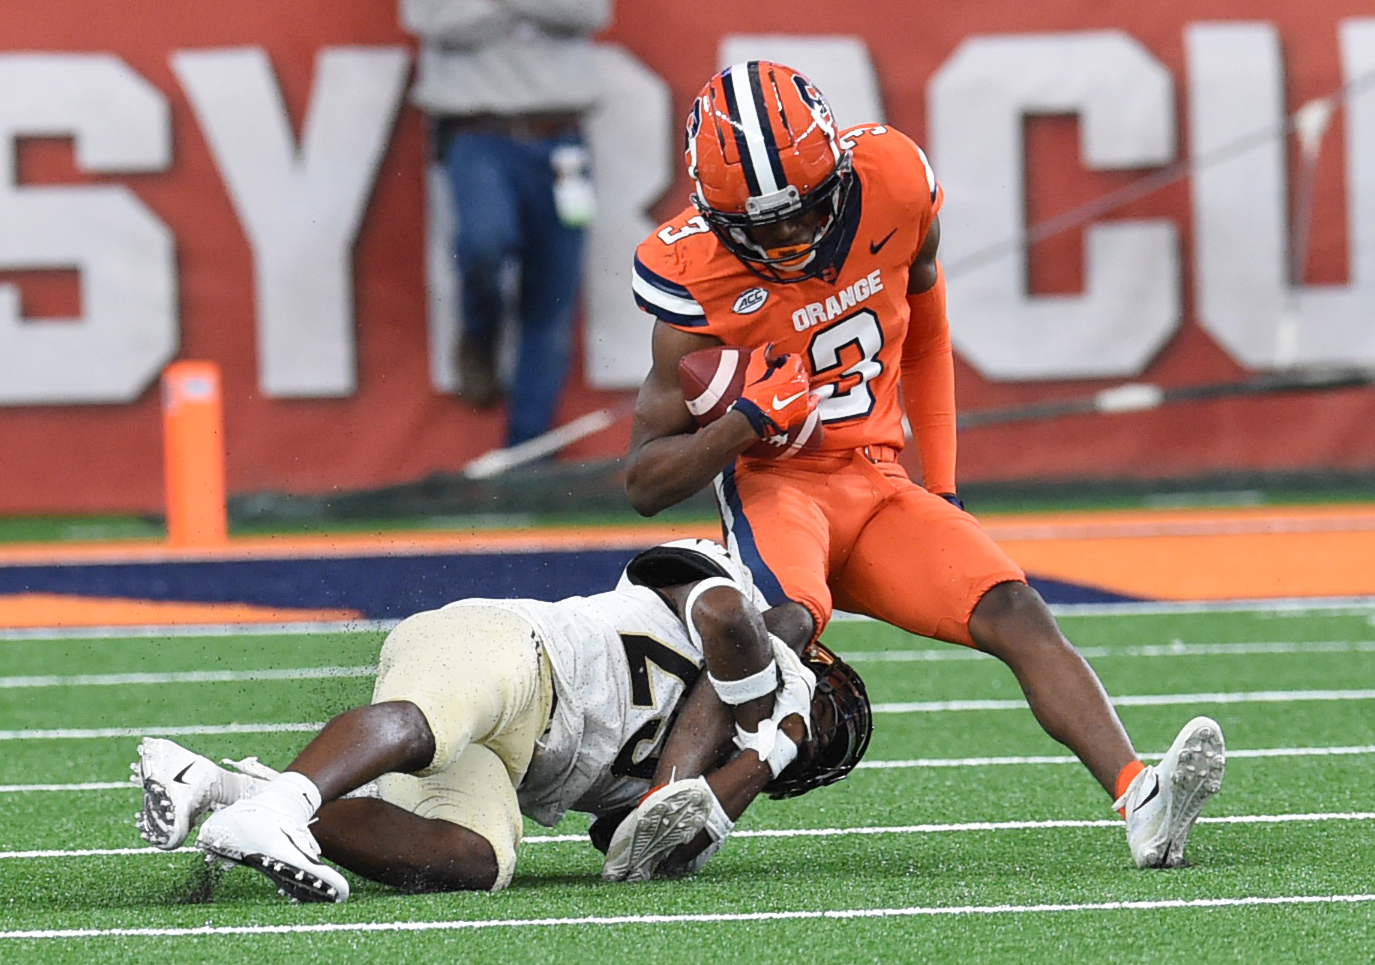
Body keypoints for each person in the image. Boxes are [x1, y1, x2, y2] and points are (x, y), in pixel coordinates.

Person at [623, 61, 1225, 870]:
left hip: (876, 480)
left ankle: (1141, 798)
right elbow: (643, 483)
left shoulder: (893, 180)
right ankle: (666, 811)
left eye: (804, 213)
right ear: (714, 217)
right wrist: (740, 425)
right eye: (762, 229)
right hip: (780, 486)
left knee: (1014, 607)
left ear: (837, 172)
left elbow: (928, 329)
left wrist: (939, 486)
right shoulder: (688, 275)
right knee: (788, 626)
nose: (790, 240)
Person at [130, 539, 873, 901]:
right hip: (518, 650)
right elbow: (723, 616)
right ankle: (282, 804)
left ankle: (225, 792)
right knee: (434, 721)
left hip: (513, 761)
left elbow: (637, 850)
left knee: (474, 861)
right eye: (821, 713)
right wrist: (757, 713)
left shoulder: (720, 777)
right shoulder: (732, 595)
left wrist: (766, 751)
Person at [400, 0, 611, 445]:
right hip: (479, 132)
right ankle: (480, 333)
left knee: (552, 298)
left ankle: (526, 457)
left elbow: (590, 12)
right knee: (483, 245)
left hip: (562, 137)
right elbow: (431, 21)